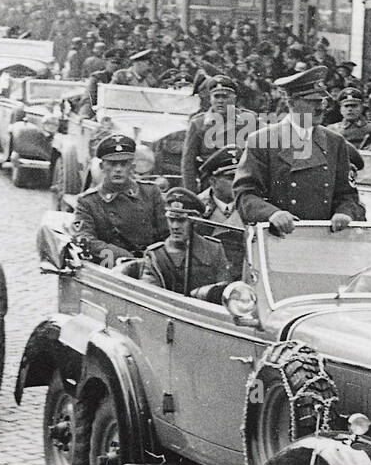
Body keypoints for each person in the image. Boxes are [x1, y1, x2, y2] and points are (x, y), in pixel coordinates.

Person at [232, 66, 363, 234]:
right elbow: (245, 195)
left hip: (324, 239)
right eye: (313, 101)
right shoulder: (262, 141)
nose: (321, 107)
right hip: (279, 240)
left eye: (322, 101)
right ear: (291, 102)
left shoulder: (334, 141)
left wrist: (344, 213)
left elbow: (347, 195)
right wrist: (272, 214)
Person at [72, 133, 170, 266]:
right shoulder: (88, 202)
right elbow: (85, 239)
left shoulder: (150, 192)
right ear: (102, 167)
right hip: (112, 267)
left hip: (151, 264)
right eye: (112, 164)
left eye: (124, 164)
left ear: (132, 167)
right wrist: (124, 256)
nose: (118, 170)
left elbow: (166, 232)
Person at [141, 187, 231, 298]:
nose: (175, 226)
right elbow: (150, 297)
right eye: (171, 219)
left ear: (196, 221)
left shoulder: (214, 249)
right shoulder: (155, 255)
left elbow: (224, 291)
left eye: (181, 220)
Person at [181, 76, 254, 192]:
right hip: (211, 186)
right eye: (216, 96)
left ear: (234, 99)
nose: (220, 101)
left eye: (225, 96)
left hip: (243, 184)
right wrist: (193, 194)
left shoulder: (249, 120)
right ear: (210, 99)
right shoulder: (198, 124)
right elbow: (188, 163)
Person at [327, 88, 371, 152]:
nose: (350, 109)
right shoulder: (332, 130)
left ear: (361, 108)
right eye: (346, 106)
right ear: (341, 109)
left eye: (354, 106)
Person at [197, 146, 243, 228]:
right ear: (213, 181)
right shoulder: (198, 206)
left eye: (241, 177)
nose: (238, 182)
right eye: (231, 177)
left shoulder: (254, 203)